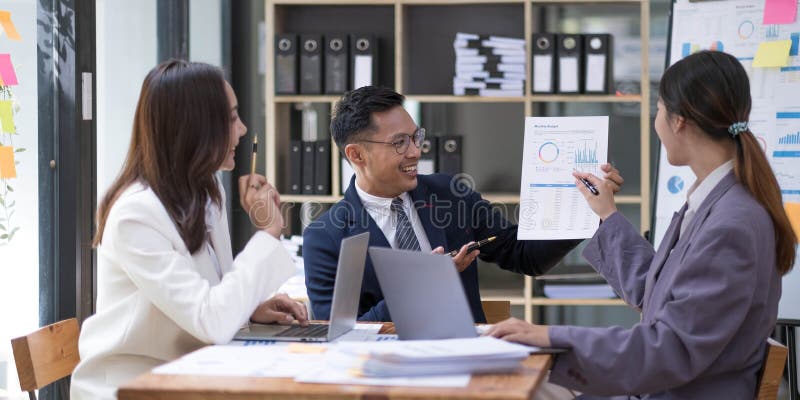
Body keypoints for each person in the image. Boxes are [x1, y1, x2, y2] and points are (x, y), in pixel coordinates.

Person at [488, 50, 797, 399]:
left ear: (679, 120)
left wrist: (548, 336)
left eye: (659, 110)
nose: (656, 122)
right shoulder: (719, 203)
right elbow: (657, 291)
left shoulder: (731, 223)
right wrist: (607, 214)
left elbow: (670, 348)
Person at [71, 60, 308, 400]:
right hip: (132, 386)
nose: (242, 130)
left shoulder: (208, 193)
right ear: (194, 129)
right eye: (230, 118)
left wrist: (250, 308)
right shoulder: (135, 215)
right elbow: (210, 320)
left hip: (188, 373)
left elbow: (211, 297)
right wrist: (269, 230)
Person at [303, 86, 625, 322]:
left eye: (416, 137)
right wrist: (424, 282)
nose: (416, 152)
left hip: (468, 358)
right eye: (399, 143)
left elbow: (525, 256)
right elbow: (341, 335)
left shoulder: (449, 194)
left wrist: (585, 206)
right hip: (384, 375)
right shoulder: (327, 236)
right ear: (356, 155)